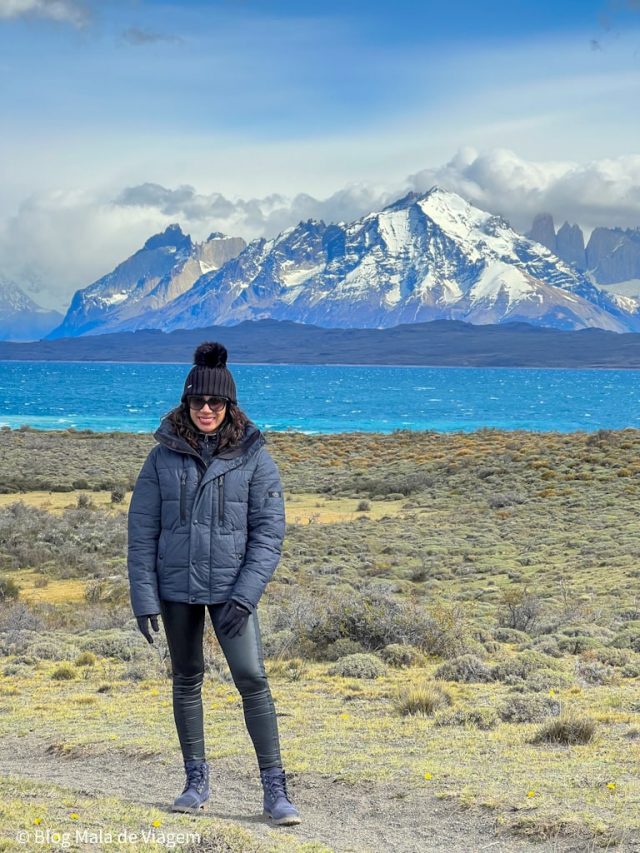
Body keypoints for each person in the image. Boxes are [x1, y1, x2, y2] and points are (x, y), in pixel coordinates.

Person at [127, 341, 300, 826]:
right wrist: (144, 598)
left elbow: (269, 533)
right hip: (175, 589)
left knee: (253, 680)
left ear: (229, 405)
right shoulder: (160, 458)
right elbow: (141, 532)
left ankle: (275, 791)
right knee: (186, 681)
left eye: (216, 402)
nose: (206, 409)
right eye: (198, 401)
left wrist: (246, 595)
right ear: (187, 402)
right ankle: (195, 782)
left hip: (231, 592)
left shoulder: (255, 457)